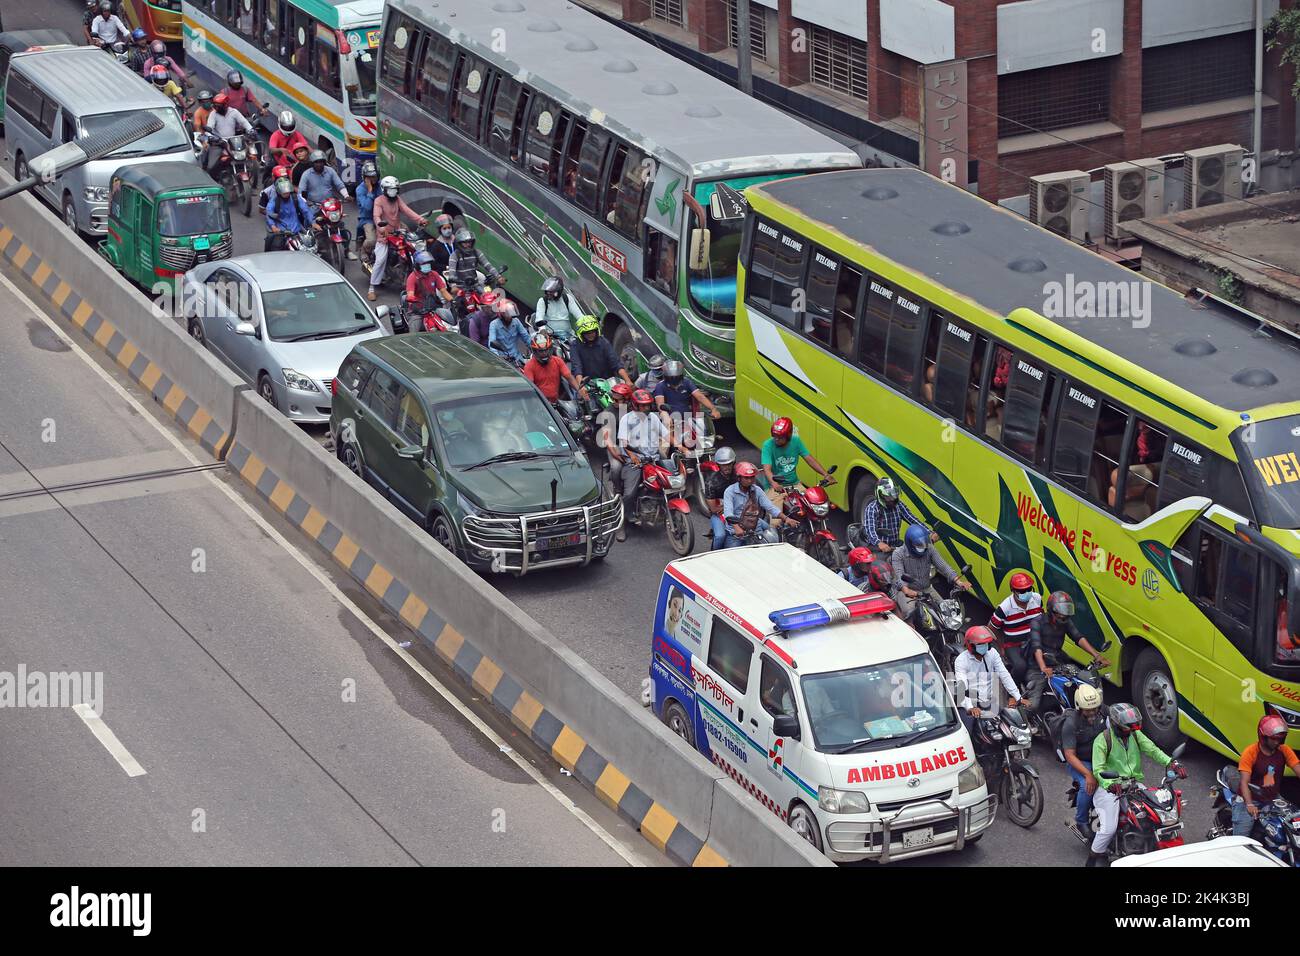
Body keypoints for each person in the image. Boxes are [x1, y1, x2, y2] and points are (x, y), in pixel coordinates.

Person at [1087, 702, 1185, 866]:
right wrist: (1110, 783)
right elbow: (1098, 769)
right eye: (1127, 728)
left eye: (1133, 728)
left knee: (1156, 811)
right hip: (1109, 789)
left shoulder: (1134, 735)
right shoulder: (1102, 740)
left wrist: (1172, 763)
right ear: (1117, 725)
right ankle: (1092, 858)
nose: (1131, 732)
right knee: (1108, 828)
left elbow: (1152, 750)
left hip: (1133, 785)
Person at [1023, 591, 1110, 715]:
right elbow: (1037, 647)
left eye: (1065, 615)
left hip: (1058, 663)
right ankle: (1026, 724)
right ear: (1051, 611)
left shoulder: (1065, 622)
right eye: (1060, 615)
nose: (1063, 618)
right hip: (1038, 667)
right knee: (1033, 706)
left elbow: (1078, 637)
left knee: (1079, 685)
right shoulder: (1037, 622)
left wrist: (1097, 655)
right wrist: (1043, 667)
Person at [616, 389, 686, 541]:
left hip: (653, 458)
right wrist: (633, 456)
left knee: (672, 478)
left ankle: (663, 509)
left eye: (648, 405)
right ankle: (623, 521)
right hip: (635, 462)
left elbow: (666, 435)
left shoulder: (653, 417)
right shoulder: (626, 420)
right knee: (629, 493)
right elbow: (624, 443)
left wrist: (680, 446)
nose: (646, 409)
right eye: (643, 406)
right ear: (635, 405)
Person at [954, 626, 1023, 748]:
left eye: (986, 644)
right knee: (966, 735)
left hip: (990, 701)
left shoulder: (992, 654)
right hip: (970, 702)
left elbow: (1004, 674)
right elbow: (961, 687)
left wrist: (1017, 696)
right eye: (980, 645)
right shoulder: (961, 660)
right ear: (970, 645)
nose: (984, 647)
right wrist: (970, 708)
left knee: (1009, 728)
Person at [1233, 715, 1299, 837]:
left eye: (1280, 739)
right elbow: (1244, 782)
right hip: (1250, 799)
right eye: (1273, 739)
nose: (1277, 742)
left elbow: (1298, 768)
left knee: (1290, 830)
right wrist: (1249, 804)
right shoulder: (1250, 753)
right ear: (1263, 737)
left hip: (1272, 797)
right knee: (1241, 840)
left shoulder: (1284, 750)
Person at [890, 524, 972, 621]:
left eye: (924, 544)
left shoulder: (929, 548)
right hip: (908, 592)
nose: (923, 547)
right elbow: (899, 575)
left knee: (947, 613)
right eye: (919, 545)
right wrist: (906, 589)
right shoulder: (898, 554)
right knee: (909, 615)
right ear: (910, 544)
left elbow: (943, 565)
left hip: (926, 589)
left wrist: (959, 582)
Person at [368, 176, 427, 301]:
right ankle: (372, 288)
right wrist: (381, 228)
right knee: (381, 260)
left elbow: (407, 210)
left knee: (413, 248)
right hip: (385, 235)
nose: (393, 192)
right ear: (384, 189)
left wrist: (420, 220)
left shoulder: (397, 199)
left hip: (398, 231)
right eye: (391, 190)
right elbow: (376, 216)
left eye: (395, 189)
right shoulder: (379, 201)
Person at [1061, 683, 1106, 842]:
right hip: (1082, 762)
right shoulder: (1071, 723)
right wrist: (1088, 775)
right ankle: (1081, 821)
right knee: (1089, 787)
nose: (1093, 713)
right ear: (1079, 708)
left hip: (1103, 758)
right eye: (1088, 710)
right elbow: (1070, 755)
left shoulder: (1103, 713)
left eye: (1095, 708)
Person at [761, 416, 834, 507]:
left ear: (788, 436)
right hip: (774, 487)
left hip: (794, 484)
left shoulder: (796, 441)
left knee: (813, 506)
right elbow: (767, 469)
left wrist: (825, 475)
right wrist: (774, 483)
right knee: (776, 520)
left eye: (780, 437)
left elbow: (809, 459)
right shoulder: (767, 445)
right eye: (774, 436)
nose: (776, 439)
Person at [859, 475, 936, 555]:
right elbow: (870, 531)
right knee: (882, 567)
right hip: (877, 548)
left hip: (895, 545)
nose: (892, 499)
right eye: (889, 497)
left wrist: (929, 532)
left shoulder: (898, 505)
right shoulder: (872, 508)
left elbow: (912, 519)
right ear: (880, 496)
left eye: (894, 495)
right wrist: (879, 543)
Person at [989, 571, 1043, 683]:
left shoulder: (1037, 599)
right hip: (1013, 645)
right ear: (1013, 591)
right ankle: (1012, 690)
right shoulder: (1005, 608)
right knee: (1020, 667)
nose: (1027, 593)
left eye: (1029, 589)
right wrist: (1001, 647)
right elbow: (992, 627)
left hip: (1033, 641)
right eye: (1023, 591)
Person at [720, 462, 787, 549]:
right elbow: (728, 513)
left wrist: (786, 518)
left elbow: (769, 507)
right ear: (739, 478)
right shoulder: (730, 491)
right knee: (731, 558)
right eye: (746, 478)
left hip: (755, 530)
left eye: (752, 477)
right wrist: (736, 527)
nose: (749, 480)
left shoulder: (757, 490)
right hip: (735, 534)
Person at [654, 359, 720, 443]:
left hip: (688, 417)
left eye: (676, 377)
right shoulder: (660, 386)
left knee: (704, 430)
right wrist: (666, 416)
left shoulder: (687, 382)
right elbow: (660, 405)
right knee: (665, 424)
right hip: (671, 418)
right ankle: (665, 452)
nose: (674, 380)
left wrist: (713, 409)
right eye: (671, 378)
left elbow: (700, 396)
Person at [569, 315, 634, 390]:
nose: (591, 335)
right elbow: (577, 368)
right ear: (581, 334)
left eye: (592, 332)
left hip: (607, 382)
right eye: (587, 333)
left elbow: (616, 363)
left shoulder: (603, 342)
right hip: (587, 383)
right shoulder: (575, 346)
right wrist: (581, 387)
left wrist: (628, 381)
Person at [522, 332, 585, 404]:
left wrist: (579, 391)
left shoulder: (558, 361)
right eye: (541, 351)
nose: (544, 353)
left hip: (557, 402)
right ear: (535, 352)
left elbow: (569, 377)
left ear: (550, 349)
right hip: (540, 404)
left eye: (546, 350)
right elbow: (530, 388)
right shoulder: (529, 366)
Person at [203, 93, 253, 176]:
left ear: (225, 105)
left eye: (218, 105)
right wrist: (210, 136)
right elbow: (209, 127)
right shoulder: (213, 114)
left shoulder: (234, 112)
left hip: (233, 141)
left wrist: (251, 130)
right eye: (215, 105)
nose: (216, 108)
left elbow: (244, 122)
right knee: (211, 167)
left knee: (248, 155)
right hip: (219, 142)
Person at [599, 381, 636, 493]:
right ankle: (617, 489)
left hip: (634, 444)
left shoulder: (633, 409)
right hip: (616, 446)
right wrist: (616, 454)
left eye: (616, 400)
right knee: (616, 468)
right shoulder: (608, 413)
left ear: (626, 400)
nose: (613, 402)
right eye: (613, 399)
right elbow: (607, 437)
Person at [403, 250, 453, 330]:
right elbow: (410, 294)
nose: (427, 265)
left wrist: (452, 301)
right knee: (414, 332)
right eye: (424, 264)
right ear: (417, 265)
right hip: (418, 311)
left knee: (451, 324)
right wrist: (411, 298)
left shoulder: (434, 274)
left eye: (428, 263)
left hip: (433, 307)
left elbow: (443, 291)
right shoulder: (412, 278)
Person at [445, 228, 502, 293]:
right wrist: (453, 286)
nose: (468, 244)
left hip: (475, 286)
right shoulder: (454, 255)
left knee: (489, 298)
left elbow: (487, 265)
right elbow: (452, 271)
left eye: (469, 242)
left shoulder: (476, 252)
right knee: (456, 302)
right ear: (459, 243)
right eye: (465, 242)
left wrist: (498, 276)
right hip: (460, 289)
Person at [703, 446, 737, 551]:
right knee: (720, 536)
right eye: (723, 465)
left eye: (729, 464)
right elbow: (714, 509)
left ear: (733, 463)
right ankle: (713, 553)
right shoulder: (711, 482)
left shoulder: (739, 476)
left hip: (740, 509)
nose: (726, 467)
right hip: (719, 515)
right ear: (718, 465)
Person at [264, 177, 311, 251]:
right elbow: (269, 213)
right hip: (281, 233)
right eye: (284, 192)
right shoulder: (274, 201)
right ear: (279, 192)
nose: (286, 194)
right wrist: (273, 226)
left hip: (297, 231)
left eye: (287, 191)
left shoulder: (296, 198)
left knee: (311, 247)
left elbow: (306, 211)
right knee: (275, 251)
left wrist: (313, 223)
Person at [534, 275, 583, 343]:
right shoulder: (542, 301)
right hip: (550, 336)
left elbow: (579, 316)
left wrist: (587, 323)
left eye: (551, 291)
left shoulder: (567, 298)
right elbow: (539, 318)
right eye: (547, 291)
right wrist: (543, 329)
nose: (548, 293)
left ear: (559, 291)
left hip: (568, 335)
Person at [354, 161, 379, 264]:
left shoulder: (380, 185)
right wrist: (370, 191)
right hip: (367, 219)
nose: (373, 179)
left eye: (374, 177)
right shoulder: (360, 189)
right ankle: (363, 250)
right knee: (372, 240)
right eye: (370, 177)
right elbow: (368, 207)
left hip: (382, 216)